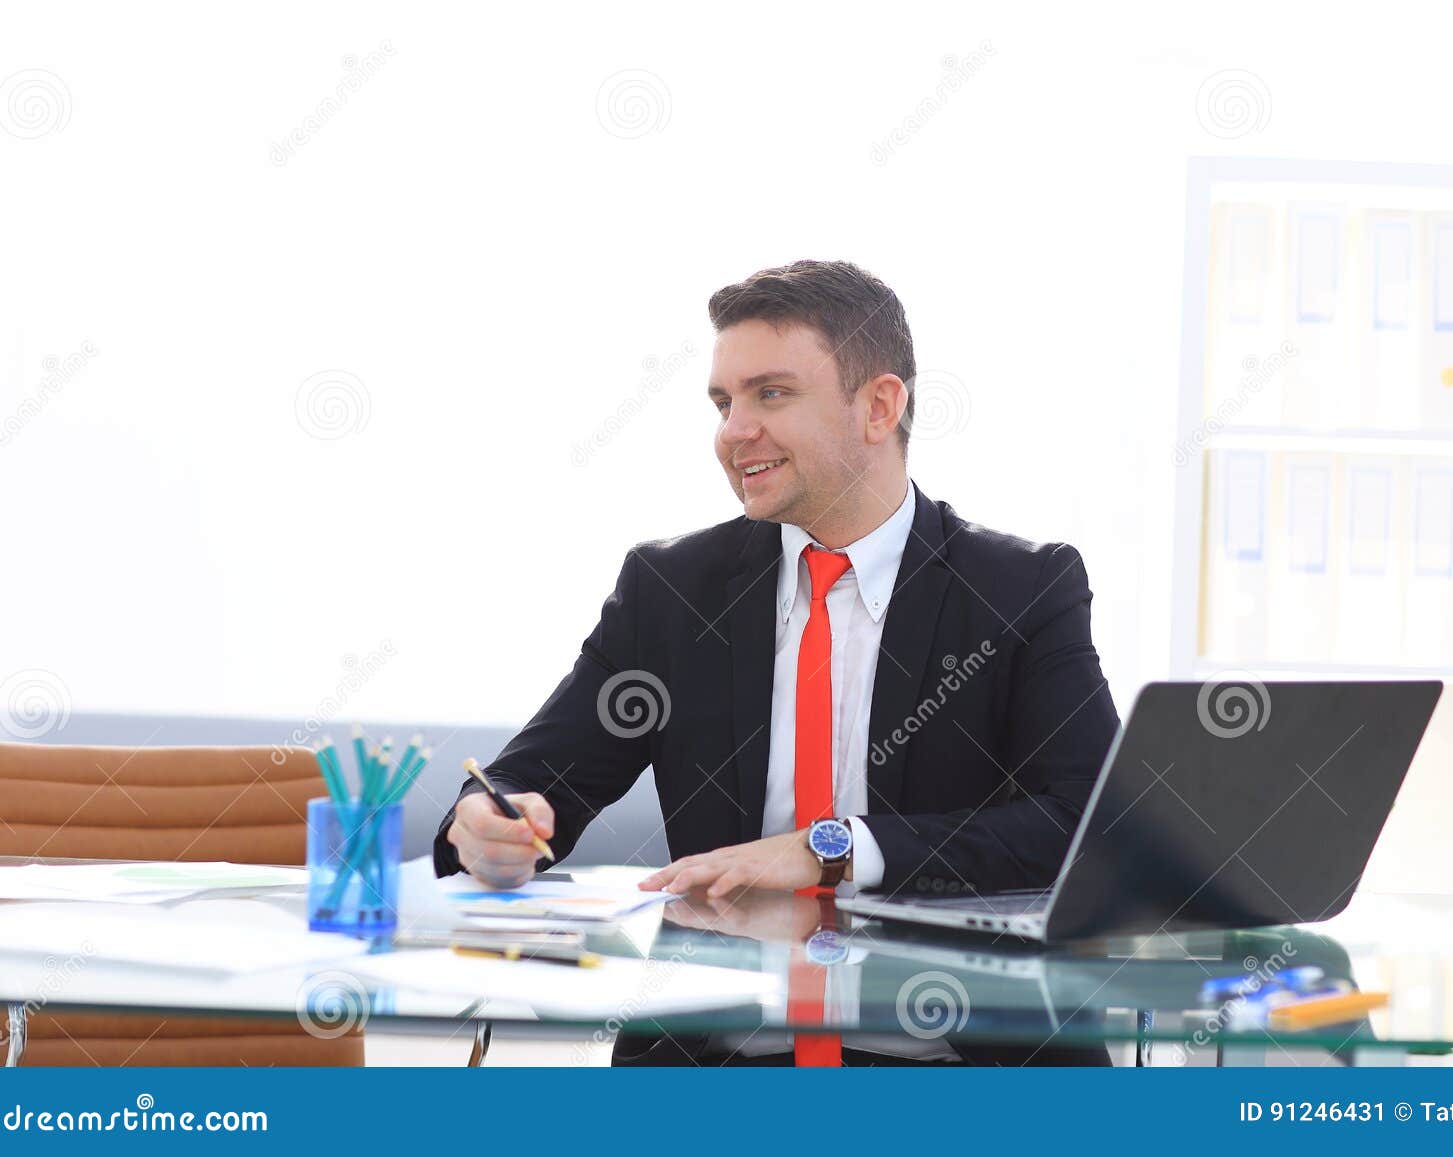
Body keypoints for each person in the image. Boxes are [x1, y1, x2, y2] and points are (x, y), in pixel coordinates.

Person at [433, 259, 1119, 1066]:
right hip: (718, 1073)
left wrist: (835, 848)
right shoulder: (672, 591)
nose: (733, 431)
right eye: (724, 403)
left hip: (951, 1069)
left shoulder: (1021, 589)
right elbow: (526, 782)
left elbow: (1090, 822)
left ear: (879, 405)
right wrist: (489, 824)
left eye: (771, 394)